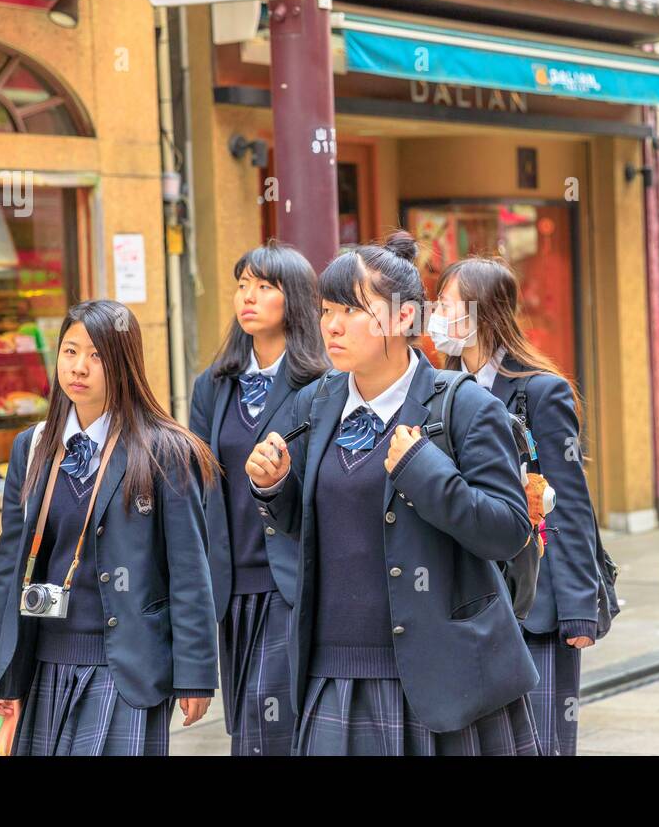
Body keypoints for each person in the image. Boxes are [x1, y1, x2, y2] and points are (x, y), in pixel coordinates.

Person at [246, 231, 540, 756]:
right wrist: (272, 487)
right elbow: (319, 523)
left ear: (405, 318)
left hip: (437, 674)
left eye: (352, 311)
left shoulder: (463, 406)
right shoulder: (317, 402)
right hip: (331, 669)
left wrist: (424, 471)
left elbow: (508, 530)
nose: (331, 326)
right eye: (326, 309)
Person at [0, 299, 219, 755]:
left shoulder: (164, 450)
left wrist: (196, 673)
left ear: (122, 363)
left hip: (126, 665)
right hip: (43, 660)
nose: (79, 367)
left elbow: (189, 571)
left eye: (96, 355)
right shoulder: (32, 448)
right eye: (69, 352)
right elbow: (10, 563)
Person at [430, 255, 604, 756]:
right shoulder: (437, 391)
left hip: (536, 597)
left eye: (447, 305)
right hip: (467, 594)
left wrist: (578, 608)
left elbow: (567, 501)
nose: (436, 317)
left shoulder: (538, 391)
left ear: (484, 312)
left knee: (541, 735)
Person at [189, 242, 328, 756]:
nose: (247, 297)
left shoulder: (323, 383)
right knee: (249, 723)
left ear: (293, 299)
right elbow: (199, 487)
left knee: (268, 724)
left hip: (291, 580)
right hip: (231, 586)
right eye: (242, 284)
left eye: (264, 287)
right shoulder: (214, 385)